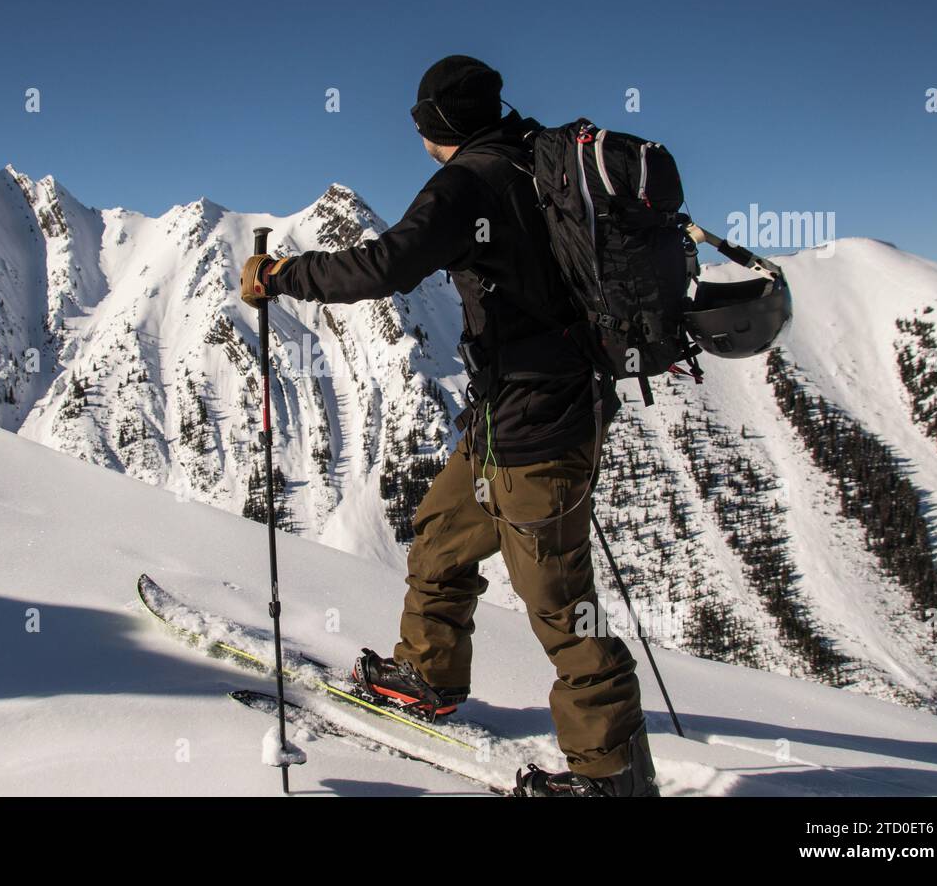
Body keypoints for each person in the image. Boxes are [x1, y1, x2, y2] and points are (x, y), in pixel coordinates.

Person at [240, 55, 658, 797]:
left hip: (540, 426)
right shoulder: (536, 157)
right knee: (440, 534)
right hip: (508, 417)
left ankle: (612, 775)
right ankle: (427, 674)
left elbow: (386, 266)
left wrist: (282, 278)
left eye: (423, 122)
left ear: (440, 125)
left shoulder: (471, 181)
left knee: (563, 606)